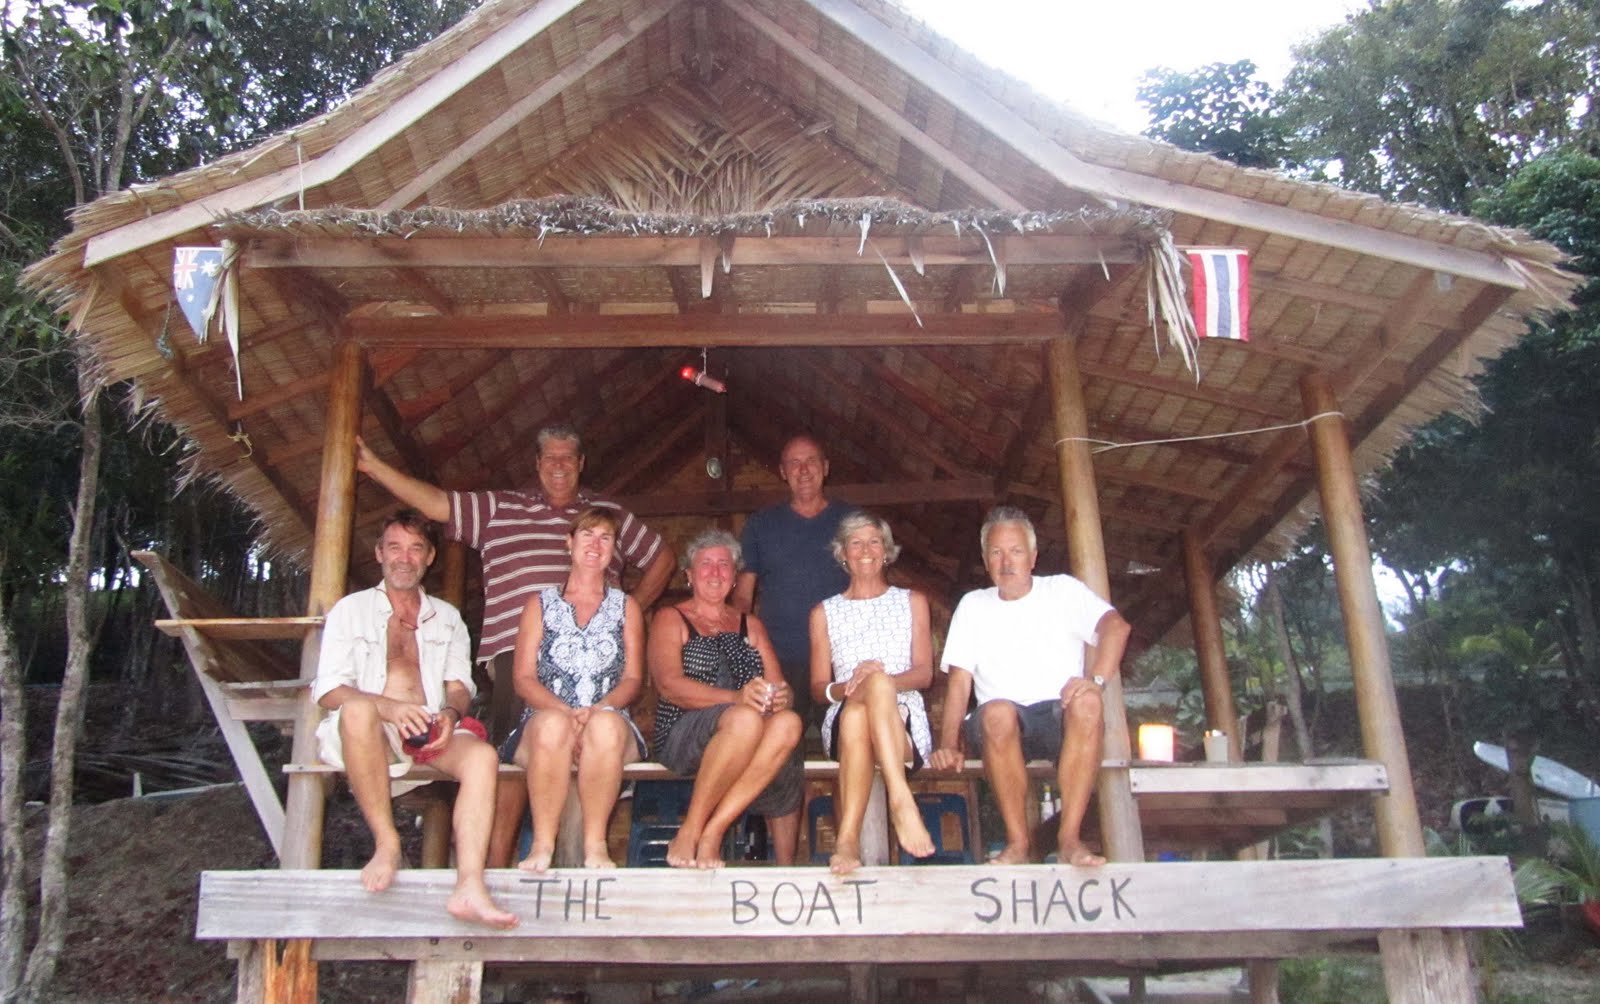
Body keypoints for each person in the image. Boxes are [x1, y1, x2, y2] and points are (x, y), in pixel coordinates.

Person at [355, 423, 673, 740]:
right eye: (550, 458)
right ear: (537, 464)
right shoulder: (500, 508)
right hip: (515, 651)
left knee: (597, 742)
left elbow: (662, 559)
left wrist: (628, 610)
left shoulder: (607, 515)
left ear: (581, 463)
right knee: (517, 753)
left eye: (568, 458)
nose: (559, 466)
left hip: (594, 652)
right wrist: (374, 467)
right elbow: (438, 504)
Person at [312, 510, 516, 929]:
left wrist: (448, 713)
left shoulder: (447, 617)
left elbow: (460, 686)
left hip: (429, 730)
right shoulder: (350, 611)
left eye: (415, 548)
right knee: (356, 710)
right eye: (394, 547)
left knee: (483, 759)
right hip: (369, 733)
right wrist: (389, 708)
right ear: (379, 554)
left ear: (429, 558)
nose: (404, 558)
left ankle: (470, 884)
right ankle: (387, 842)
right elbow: (330, 689)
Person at [930, 506, 1131, 868]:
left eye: (1016, 551)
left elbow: (1116, 627)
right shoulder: (973, 605)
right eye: (996, 552)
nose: (1006, 562)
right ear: (985, 559)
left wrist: (1094, 682)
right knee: (997, 712)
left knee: (1087, 704)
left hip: (1058, 714)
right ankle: (1018, 842)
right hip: (998, 727)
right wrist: (948, 743)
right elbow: (959, 680)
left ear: (1033, 556)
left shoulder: (1063, 590)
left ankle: (1069, 839)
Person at [501, 507, 646, 873]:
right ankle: (543, 845)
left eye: (605, 537)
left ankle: (595, 845)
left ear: (614, 550)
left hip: (609, 720)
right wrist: (567, 714)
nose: (595, 544)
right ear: (569, 543)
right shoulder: (539, 604)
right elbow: (523, 679)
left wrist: (595, 711)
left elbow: (632, 680)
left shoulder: (627, 607)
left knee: (606, 727)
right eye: (587, 534)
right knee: (553, 726)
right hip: (543, 721)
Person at [649, 529, 804, 868]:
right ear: (689, 575)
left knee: (789, 723)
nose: (716, 572)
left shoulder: (752, 625)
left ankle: (714, 831)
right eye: (706, 564)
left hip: (746, 728)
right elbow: (670, 685)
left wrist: (782, 698)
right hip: (683, 731)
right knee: (745, 718)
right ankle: (690, 831)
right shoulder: (670, 618)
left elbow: (780, 688)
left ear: (735, 578)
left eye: (724, 565)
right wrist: (737, 698)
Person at [809, 512, 936, 874]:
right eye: (856, 543)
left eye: (874, 542)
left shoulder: (912, 601)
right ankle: (902, 799)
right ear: (843, 554)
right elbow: (819, 688)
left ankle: (848, 840)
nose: (865, 550)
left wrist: (877, 683)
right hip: (845, 709)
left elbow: (924, 673)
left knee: (872, 691)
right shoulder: (823, 612)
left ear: (886, 552)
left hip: (903, 720)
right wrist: (851, 686)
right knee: (855, 708)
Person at [732, 435, 852, 725]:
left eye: (811, 461)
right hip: (779, 660)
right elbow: (743, 595)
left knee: (849, 745)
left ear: (825, 468)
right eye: (794, 464)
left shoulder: (851, 521)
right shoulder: (761, 525)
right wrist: (742, 647)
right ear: (783, 473)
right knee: (779, 747)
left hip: (842, 660)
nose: (804, 470)